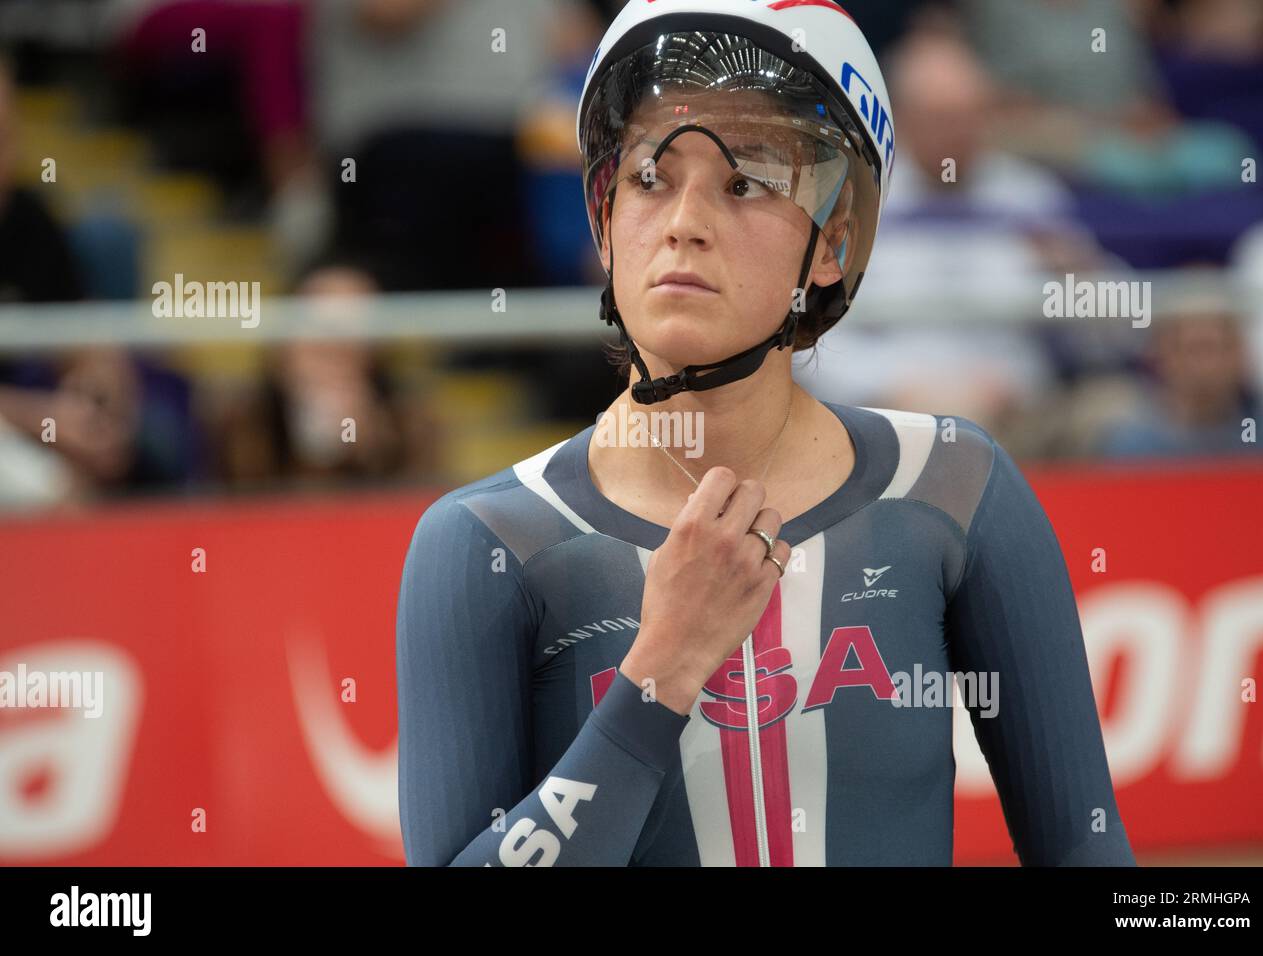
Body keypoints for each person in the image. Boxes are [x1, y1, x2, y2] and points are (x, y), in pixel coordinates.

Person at [397, 0, 1135, 867]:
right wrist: (663, 670)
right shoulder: (486, 543)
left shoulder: (954, 486)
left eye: (745, 180)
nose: (683, 221)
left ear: (832, 245)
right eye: (648, 177)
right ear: (602, 216)